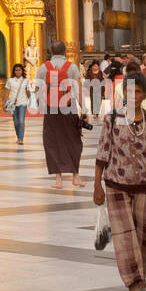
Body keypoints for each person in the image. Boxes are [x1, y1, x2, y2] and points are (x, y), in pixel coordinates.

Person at [94, 73, 146, 291]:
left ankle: (140, 274)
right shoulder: (112, 119)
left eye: (137, 91)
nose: (133, 95)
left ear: (144, 94)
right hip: (116, 184)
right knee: (125, 235)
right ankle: (133, 282)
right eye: (129, 91)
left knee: (144, 235)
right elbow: (102, 152)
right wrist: (97, 184)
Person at [37, 41, 85, 189]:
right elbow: (78, 90)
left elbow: (38, 89)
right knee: (73, 141)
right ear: (65, 52)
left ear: (51, 52)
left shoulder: (44, 67)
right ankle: (75, 176)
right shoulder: (71, 67)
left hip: (51, 109)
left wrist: (41, 105)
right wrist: (84, 109)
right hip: (68, 108)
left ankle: (58, 179)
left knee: (53, 141)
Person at [4, 63, 31, 144]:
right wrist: (4, 102)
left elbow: (28, 94)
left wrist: (29, 91)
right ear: (14, 71)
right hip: (13, 103)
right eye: (16, 70)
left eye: (19, 70)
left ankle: (20, 139)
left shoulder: (26, 81)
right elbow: (6, 92)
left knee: (21, 121)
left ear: (22, 71)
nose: (18, 72)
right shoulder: (10, 80)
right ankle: (18, 136)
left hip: (23, 103)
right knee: (16, 122)